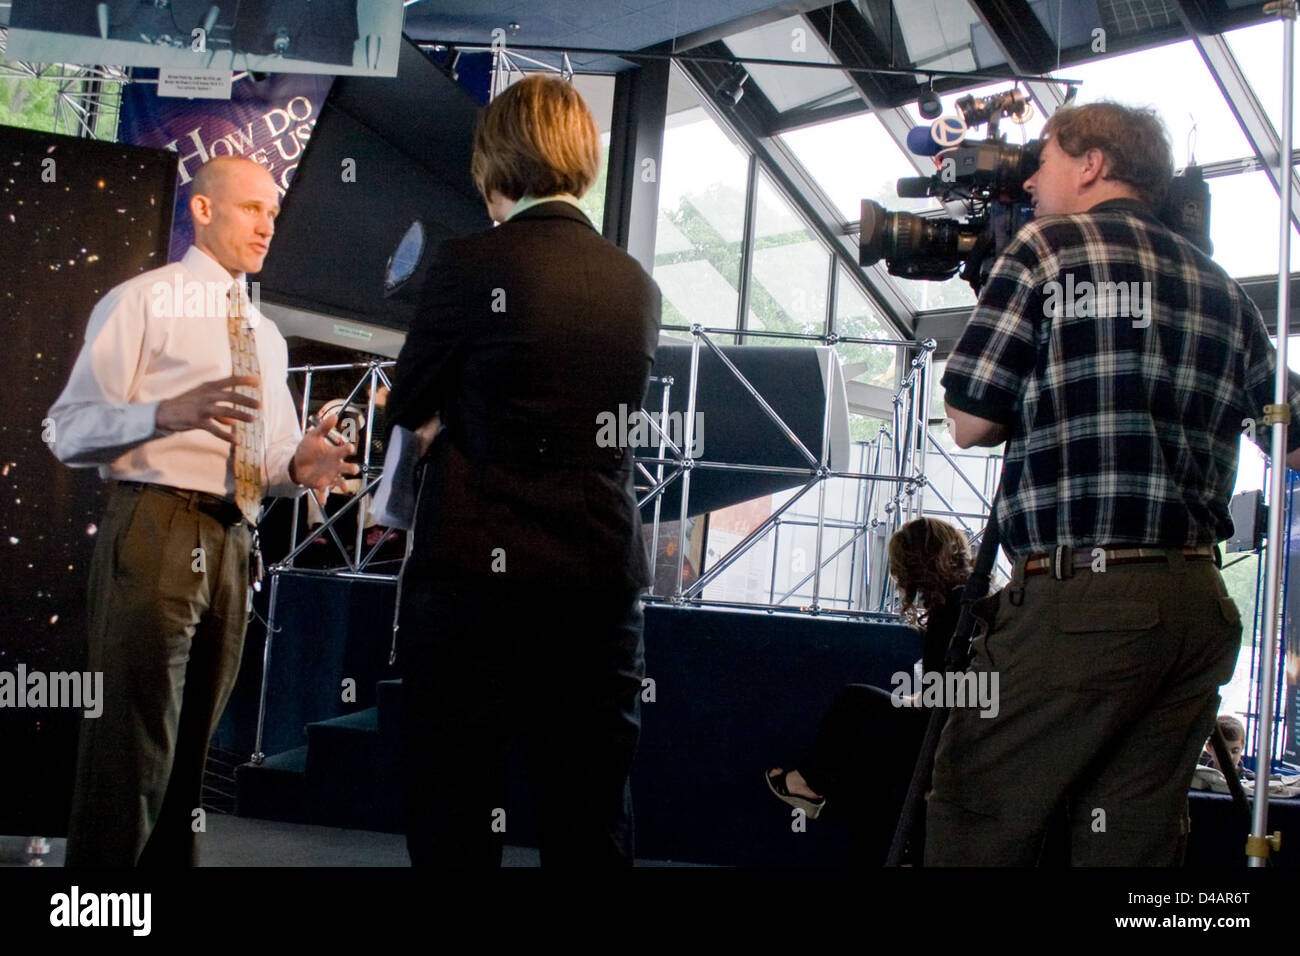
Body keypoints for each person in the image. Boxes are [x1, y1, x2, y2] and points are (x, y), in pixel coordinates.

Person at [932, 101, 1300, 866]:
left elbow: (969, 419)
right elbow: (1291, 439)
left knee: (980, 813)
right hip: (1195, 605)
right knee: (1130, 845)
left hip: (1083, 607)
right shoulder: (1223, 288)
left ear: (1093, 163)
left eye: (1047, 159)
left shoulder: (1046, 250)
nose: (1031, 179)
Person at [47, 155, 357, 866]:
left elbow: (273, 453)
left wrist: (300, 463)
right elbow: (68, 429)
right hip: (157, 526)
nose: (267, 225)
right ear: (204, 209)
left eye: (274, 213)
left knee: (190, 760)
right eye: (252, 208)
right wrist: (163, 412)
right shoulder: (143, 302)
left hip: (233, 544)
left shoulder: (265, 335)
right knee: (131, 749)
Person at [385, 75, 661, 867]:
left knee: (455, 813)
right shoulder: (636, 285)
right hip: (597, 585)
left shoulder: (468, 264)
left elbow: (409, 399)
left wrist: (453, 423)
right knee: (591, 818)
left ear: (495, 160)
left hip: (476, 581)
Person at [765, 517, 971, 862]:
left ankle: (806, 783)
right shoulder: (965, 598)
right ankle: (809, 783)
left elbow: (944, 694)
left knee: (854, 702)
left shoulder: (949, 609)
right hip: (959, 727)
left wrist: (914, 706)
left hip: (945, 735)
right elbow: (951, 686)